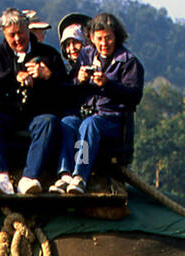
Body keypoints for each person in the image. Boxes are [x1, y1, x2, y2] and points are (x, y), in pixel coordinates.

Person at [51, 12, 143, 194]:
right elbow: (69, 86)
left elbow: (134, 96)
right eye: (99, 38)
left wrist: (108, 85)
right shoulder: (85, 55)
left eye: (108, 38)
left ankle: (80, 176)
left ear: (116, 36)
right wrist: (79, 79)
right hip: (84, 113)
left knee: (89, 125)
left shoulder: (128, 62)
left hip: (111, 119)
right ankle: (65, 174)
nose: (104, 43)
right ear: (91, 38)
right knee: (68, 123)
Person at [0, 8, 66, 194]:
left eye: (21, 33)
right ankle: (1, 177)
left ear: (28, 29)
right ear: (4, 34)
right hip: (7, 115)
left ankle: (29, 178)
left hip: (37, 116)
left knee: (49, 121)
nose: (18, 39)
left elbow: (66, 89)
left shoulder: (49, 54)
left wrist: (47, 76)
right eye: (12, 35)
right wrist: (13, 77)